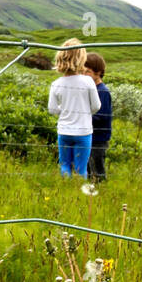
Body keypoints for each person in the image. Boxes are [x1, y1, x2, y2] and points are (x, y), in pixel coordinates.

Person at [47, 37, 99, 178]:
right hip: (83, 132)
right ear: (81, 58)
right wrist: (85, 112)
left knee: (64, 164)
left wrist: (64, 111)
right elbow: (96, 106)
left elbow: (52, 110)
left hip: (64, 131)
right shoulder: (88, 81)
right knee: (81, 168)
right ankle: (79, 194)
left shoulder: (56, 83)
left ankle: (65, 190)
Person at [85, 51, 112, 181]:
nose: (84, 75)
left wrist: (82, 117)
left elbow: (102, 116)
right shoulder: (89, 89)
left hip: (98, 138)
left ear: (99, 71)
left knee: (97, 167)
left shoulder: (103, 91)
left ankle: (101, 190)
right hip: (88, 135)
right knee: (88, 168)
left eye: (88, 71)